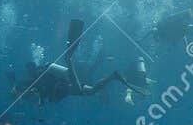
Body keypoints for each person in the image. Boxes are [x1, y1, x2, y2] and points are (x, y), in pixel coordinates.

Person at [14, 18, 151, 103]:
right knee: (91, 91)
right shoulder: (33, 87)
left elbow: (35, 86)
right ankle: (113, 76)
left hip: (59, 77)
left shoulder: (30, 83)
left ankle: (69, 56)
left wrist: (23, 92)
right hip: (62, 84)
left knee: (78, 85)